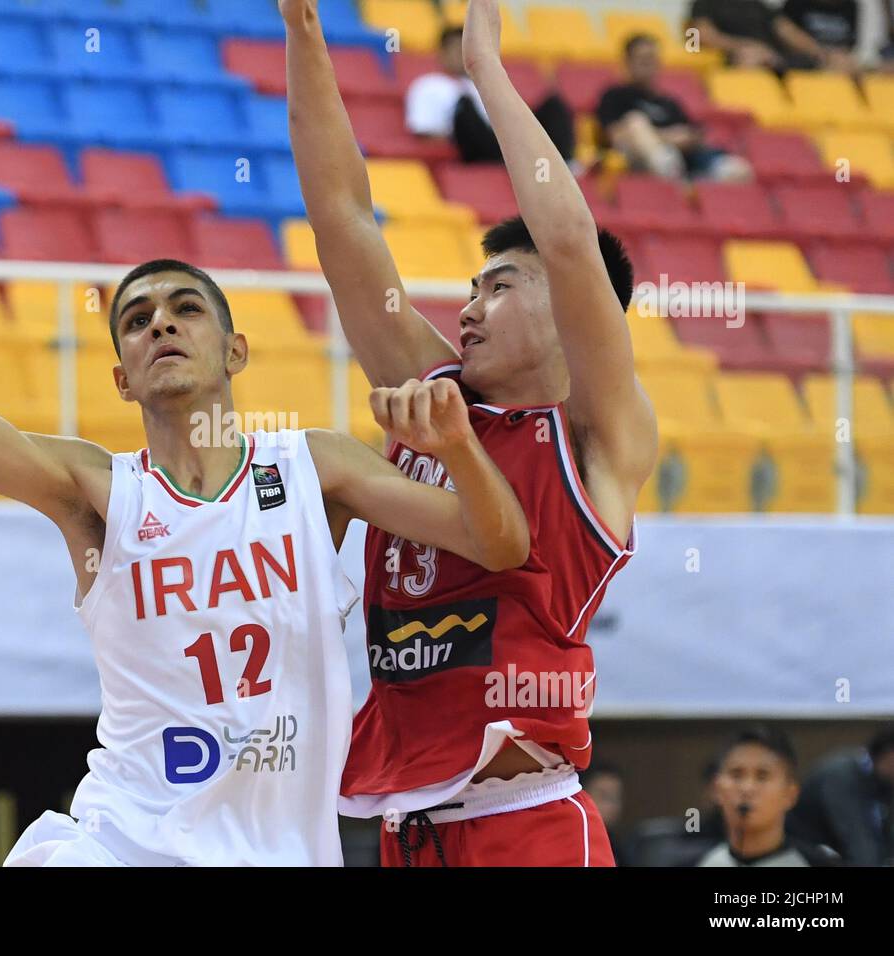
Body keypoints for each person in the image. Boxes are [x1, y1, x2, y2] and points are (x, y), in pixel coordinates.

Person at [0, 84, 532, 866]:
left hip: (275, 848)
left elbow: (498, 545)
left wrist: (459, 445)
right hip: (119, 841)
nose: (161, 325)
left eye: (185, 309)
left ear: (235, 350)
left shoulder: (310, 468)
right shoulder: (99, 492)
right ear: (121, 377)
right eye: (138, 321)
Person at [285, 0, 658, 867]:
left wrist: (484, 65)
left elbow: (569, 243)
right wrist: (304, 35)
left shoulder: (599, 436)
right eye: (471, 287)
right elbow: (342, 220)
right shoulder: (431, 387)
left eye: (499, 286)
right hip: (405, 830)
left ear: (567, 310)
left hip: (526, 822)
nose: (469, 306)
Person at [405, 25, 576, 165]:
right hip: (470, 146)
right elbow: (425, 131)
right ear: (442, 53)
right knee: (464, 104)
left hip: (501, 137)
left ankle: (563, 163)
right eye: (456, 49)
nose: (462, 54)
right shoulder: (427, 85)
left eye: (466, 48)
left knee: (554, 105)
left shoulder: (480, 85)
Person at [598, 35, 754, 183]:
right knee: (635, 122)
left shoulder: (669, 102)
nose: (649, 66)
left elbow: (691, 133)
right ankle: (669, 169)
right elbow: (615, 136)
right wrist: (668, 138)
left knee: (740, 170)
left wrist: (686, 139)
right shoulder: (614, 95)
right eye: (643, 60)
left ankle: (696, 189)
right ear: (628, 62)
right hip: (642, 158)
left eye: (653, 60)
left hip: (687, 158)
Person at [697, 727, 840, 867]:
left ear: (790, 794)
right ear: (716, 789)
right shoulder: (696, 861)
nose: (747, 788)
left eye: (762, 776)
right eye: (736, 775)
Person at [788, 725, 894, 865]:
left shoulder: (883, 782)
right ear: (888, 753)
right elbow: (860, 847)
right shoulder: (841, 776)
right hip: (799, 855)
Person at [688, 0, 837, 71]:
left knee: (831, 65)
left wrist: (823, 53)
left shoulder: (758, 5)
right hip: (734, 58)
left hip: (774, 57)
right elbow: (698, 35)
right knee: (750, 58)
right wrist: (744, 46)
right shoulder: (705, 3)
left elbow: (789, 32)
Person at [783, 0, 864, 73]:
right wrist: (823, 56)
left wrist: (839, 58)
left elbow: (849, 43)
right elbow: (789, 38)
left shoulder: (849, 6)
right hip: (805, 62)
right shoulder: (796, 4)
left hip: (839, 62)